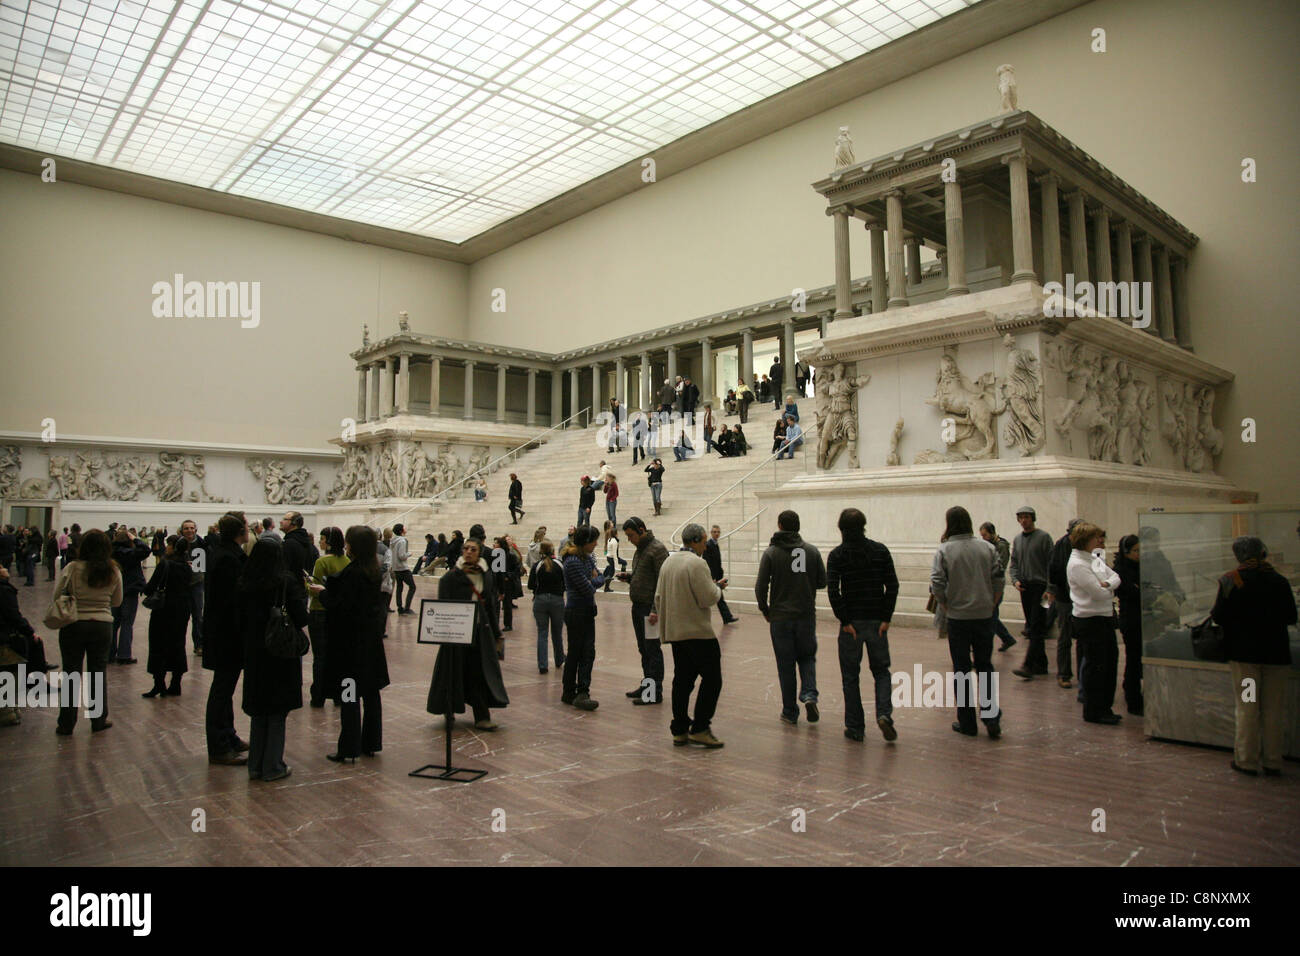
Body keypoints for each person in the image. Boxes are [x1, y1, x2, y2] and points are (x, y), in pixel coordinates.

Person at [1212, 536, 1297, 776]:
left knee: (1248, 707)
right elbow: (1291, 616)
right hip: (1276, 656)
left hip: (1245, 657)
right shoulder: (1279, 581)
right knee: (1273, 709)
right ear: (1263, 553)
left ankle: (1247, 760)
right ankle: (1272, 761)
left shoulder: (1231, 580)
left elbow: (1218, 616)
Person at [314, 526, 389, 761]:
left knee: (349, 696)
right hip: (369, 643)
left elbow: (341, 606)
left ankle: (348, 746)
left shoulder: (353, 574)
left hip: (349, 646)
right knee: (371, 694)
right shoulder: (372, 570)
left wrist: (322, 593)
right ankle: (371, 741)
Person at [930, 506, 1004, 738]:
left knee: (961, 669)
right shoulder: (987, 547)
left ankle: (967, 722)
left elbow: (937, 581)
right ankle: (991, 716)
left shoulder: (944, 550)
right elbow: (999, 577)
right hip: (983, 614)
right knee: (985, 666)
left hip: (958, 617)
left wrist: (944, 603)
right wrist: (993, 601)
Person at [237, 537, 307, 782]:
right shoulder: (284, 582)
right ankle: (273, 765)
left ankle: (255, 765)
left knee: (259, 711)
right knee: (277, 712)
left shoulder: (245, 583)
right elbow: (301, 618)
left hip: (255, 652)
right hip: (279, 651)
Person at [827, 508, 900, 742]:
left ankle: (855, 727)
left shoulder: (837, 555)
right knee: (881, 672)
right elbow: (893, 585)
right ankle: (884, 714)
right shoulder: (879, 550)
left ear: (841, 529)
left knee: (850, 676)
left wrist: (844, 620)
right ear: (864, 526)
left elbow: (833, 590)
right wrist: (886, 617)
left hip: (852, 625)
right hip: (877, 621)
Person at [650, 522, 725, 747]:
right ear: (695, 541)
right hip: (698, 632)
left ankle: (679, 728)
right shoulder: (697, 563)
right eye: (703, 541)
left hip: (676, 632)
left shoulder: (668, 562)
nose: (705, 545)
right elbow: (708, 597)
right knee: (713, 679)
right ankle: (701, 727)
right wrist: (718, 588)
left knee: (683, 680)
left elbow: (658, 597)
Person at [428, 538, 510, 730]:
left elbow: (490, 606)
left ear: (479, 552)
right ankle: (449, 710)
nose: (469, 552)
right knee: (451, 671)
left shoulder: (485, 575)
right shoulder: (451, 577)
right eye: (465, 548)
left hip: (479, 632)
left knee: (478, 673)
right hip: (455, 633)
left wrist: (497, 633)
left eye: (473, 549)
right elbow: (442, 606)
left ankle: (482, 716)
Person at [755, 510, 825, 725]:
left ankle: (790, 711)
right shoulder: (811, 551)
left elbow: (761, 586)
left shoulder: (771, 553)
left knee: (785, 664)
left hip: (780, 617)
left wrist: (765, 610)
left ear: (780, 526)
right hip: (805, 614)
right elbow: (822, 582)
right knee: (807, 657)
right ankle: (810, 694)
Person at [52, 529, 122, 735]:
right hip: (101, 625)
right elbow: (117, 601)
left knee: (71, 673)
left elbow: (57, 595)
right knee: (97, 673)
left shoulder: (72, 568)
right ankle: (98, 719)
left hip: (74, 624)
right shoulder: (113, 570)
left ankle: (66, 722)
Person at [204, 512, 251, 766]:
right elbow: (232, 600)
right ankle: (219, 745)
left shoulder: (224, 554)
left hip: (224, 632)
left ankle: (228, 736)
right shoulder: (227, 559)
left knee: (224, 689)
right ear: (239, 532)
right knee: (221, 691)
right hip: (227, 633)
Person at [1067, 522, 1123, 725]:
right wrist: (1108, 588)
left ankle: (1104, 707)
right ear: (1085, 540)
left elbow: (1115, 577)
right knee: (1096, 667)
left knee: (1109, 664)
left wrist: (1107, 584)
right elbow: (1097, 594)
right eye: (1095, 537)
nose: (1099, 541)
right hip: (1089, 620)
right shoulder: (1076, 564)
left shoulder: (1092, 558)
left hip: (1104, 617)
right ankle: (1093, 710)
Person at [617, 516, 669, 704]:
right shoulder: (641, 549)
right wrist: (630, 577)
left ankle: (654, 692)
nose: (629, 539)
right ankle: (648, 686)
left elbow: (663, 583)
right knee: (643, 649)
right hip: (638, 607)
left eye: (631, 535)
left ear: (641, 530)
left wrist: (656, 609)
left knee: (652, 650)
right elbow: (645, 576)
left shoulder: (657, 549)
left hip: (650, 609)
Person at [141, 535, 193, 697]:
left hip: (163, 610)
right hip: (182, 609)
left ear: (172, 546)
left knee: (158, 646)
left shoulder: (165, 564)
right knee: (177, 645)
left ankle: (159, 684)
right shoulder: (187, 566)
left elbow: (150, 588)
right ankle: (175, 684)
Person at [561, 525, 606, 711]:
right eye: (594, 540)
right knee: (579, 653)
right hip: (577, 611)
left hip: (586, 610)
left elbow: (597, 577)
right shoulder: (573, 561)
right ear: (585, 541)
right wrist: (597, 580)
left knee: (585, 652)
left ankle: (574, 691)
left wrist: (596, 579)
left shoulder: (585, 558)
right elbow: (589, 587)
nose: (596, 543)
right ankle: (578, 692)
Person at [1010, 506, 1054, 681]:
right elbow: (1013, 563)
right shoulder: (1017, 539)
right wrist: (1015, 580)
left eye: (1027, 517)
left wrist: (1050, 588)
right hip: (1025, 588)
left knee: (1036, 626)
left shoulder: (1044, 538)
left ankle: (1028, 665)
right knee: (1033, 625)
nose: (1024, 521)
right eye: (1020, 518)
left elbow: (1051, 564)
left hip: (1041, 588)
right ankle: (1041, 664)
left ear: (1033, 518)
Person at [307, 527, 349, 707]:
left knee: (320, 657)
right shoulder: (347, 560)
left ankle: (319, 696)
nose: (320, 542)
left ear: (329, 542)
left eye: (322, 538)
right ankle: (340, 695)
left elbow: (315, 590)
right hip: (339, 613)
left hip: (319, 611)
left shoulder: (322, 561)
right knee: (337, 655)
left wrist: (306, 585)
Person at [1047, 518, 1083, 689]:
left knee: (1083, 638)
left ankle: (1084, 674)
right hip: (1065, 597)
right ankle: (1064, 673)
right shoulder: (1061, 545)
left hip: (1083, 597)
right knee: (1065, 636)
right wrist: (1053, 590)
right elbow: (1053, 570)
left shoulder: (1089, 545)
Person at [1113, 534, 1143, 716]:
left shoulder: (1142, 567)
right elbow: (1130, 592)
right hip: (1130, 619)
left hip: (1143, 617)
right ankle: (1133, 699)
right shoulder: (1121, 571)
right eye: (1136, 551)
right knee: (1133, 658)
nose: (1140, 554)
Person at [110, 529, 150, 664]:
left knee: (114, 623)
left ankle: (110, 653)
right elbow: (146, 550)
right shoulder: (132, 554)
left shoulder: (111, 553)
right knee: (127, 623)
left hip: (115, 590)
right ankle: (124, 654)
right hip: (130, 590)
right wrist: (135, 539)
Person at [528, 541, 566, 674]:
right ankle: (559, 658)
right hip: (557, 600)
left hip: (540, 600)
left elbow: (531, 585)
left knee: (542, 633)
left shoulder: (537, 566)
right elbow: (565, 583)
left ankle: (543, 665)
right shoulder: (559, 565)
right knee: (557, 632)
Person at [979, 522, 1016, 652]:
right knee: (992, 615)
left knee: (992, 616)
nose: (983, 538)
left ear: (991, 533)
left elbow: (1000, 567)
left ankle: (1001, 639)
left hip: (995, 586)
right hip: (988, 585)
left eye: (985, 535)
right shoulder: (989, 546)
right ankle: (1007, 638)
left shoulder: (1001, 546)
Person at [178, 519, 206, 654]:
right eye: (186, 528)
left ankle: (199, 644)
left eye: (191, 528)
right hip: (181, 584)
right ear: (182, 530)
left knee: (197, 615)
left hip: (197, 583)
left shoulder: (201, 544)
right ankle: (178, 645)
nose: (189, 530)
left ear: (195, 529)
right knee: (181, 616)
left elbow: (203, 565)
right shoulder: (178, 544)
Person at [704, 525, 740, 625]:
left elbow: (717, 562)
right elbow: (708, 562)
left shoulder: (715, 544)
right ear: (711, 533)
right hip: (713, 577)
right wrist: (712, 577)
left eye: (718, 532)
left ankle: (727, 617)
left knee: (720, 598)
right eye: (714, 532)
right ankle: (727, 617)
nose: (717, 534)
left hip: (717, 576)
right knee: (718, 598)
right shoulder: (708, 545)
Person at [492, 536, 522, 633]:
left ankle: (508, 624)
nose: (494, 544)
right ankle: (495, 623)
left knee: (507, 604)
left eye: (496, 543)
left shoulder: (510, 556)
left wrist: (508, 576)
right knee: (496, 604)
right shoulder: (495, 555)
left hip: (507, 583)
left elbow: (517, 569)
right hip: (496, 582)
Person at [279, 511, 319, 581]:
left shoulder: (289, 543)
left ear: (294, 523)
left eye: (285, 519)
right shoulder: (305, 540)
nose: (281, 522)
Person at [391, 523, 416, 615]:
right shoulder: (402, 541)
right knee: (412, 587)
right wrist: (409, 554)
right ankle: (407, 608)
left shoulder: (393, 541)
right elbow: (401, 556)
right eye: (404, 528)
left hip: (396, 568)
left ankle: (400, 607)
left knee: (399, 587)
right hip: (403, 568)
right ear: (401, 531)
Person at [601, 522, 624, 592]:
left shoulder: (611, 537)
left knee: (610, 568)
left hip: (610, 555)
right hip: (611, 556)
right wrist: (616, 563)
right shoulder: (612, 539)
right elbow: (614, 552)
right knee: (611, 572)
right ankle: (605, 583)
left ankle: (605, 578)